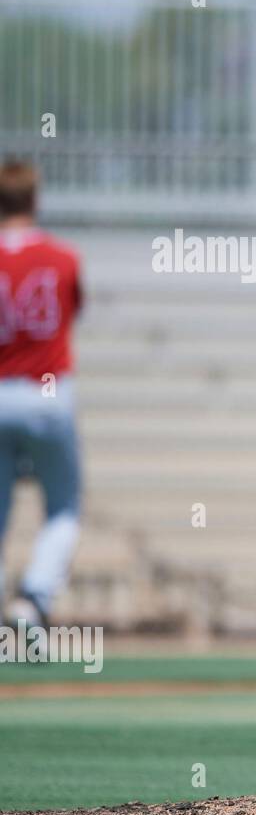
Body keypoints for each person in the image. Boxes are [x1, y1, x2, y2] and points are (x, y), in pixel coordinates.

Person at [0, 159, 83, 634]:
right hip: (48, 394)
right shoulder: (63, 258)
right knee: (65, 507)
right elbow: (71, 312)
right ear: (34, 199)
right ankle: (32, 601)